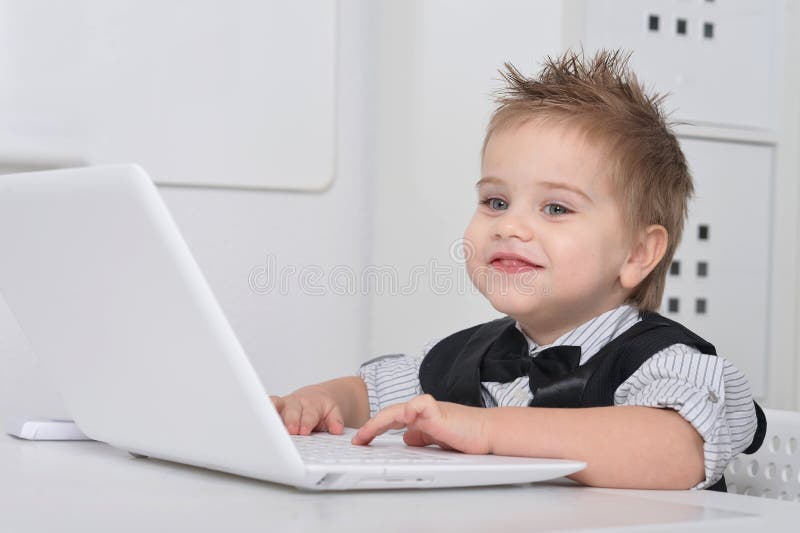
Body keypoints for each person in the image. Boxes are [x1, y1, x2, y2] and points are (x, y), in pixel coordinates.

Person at [270, 49, 765, 491]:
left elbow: (674, 452)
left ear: (637, 254)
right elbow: (371, 396)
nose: (510, 226)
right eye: (496, 201)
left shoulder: (669, 362)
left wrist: (487, 429)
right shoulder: (463, 356)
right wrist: (319, 401)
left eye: (555, 209)